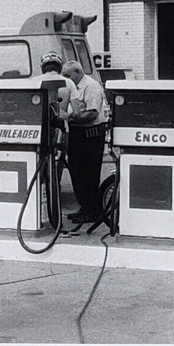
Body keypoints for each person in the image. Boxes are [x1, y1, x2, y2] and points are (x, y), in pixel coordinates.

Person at [60, 60, 110, 224]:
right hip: (77, 133)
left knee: (88, 174)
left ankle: (91, 210)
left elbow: (91, 114)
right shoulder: (72, 87)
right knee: (76, 172)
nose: (65, 78)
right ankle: (84, 206)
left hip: (90, 135)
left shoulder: (91, 87)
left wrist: (71, 118)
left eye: (68, 75)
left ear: (77, 72)